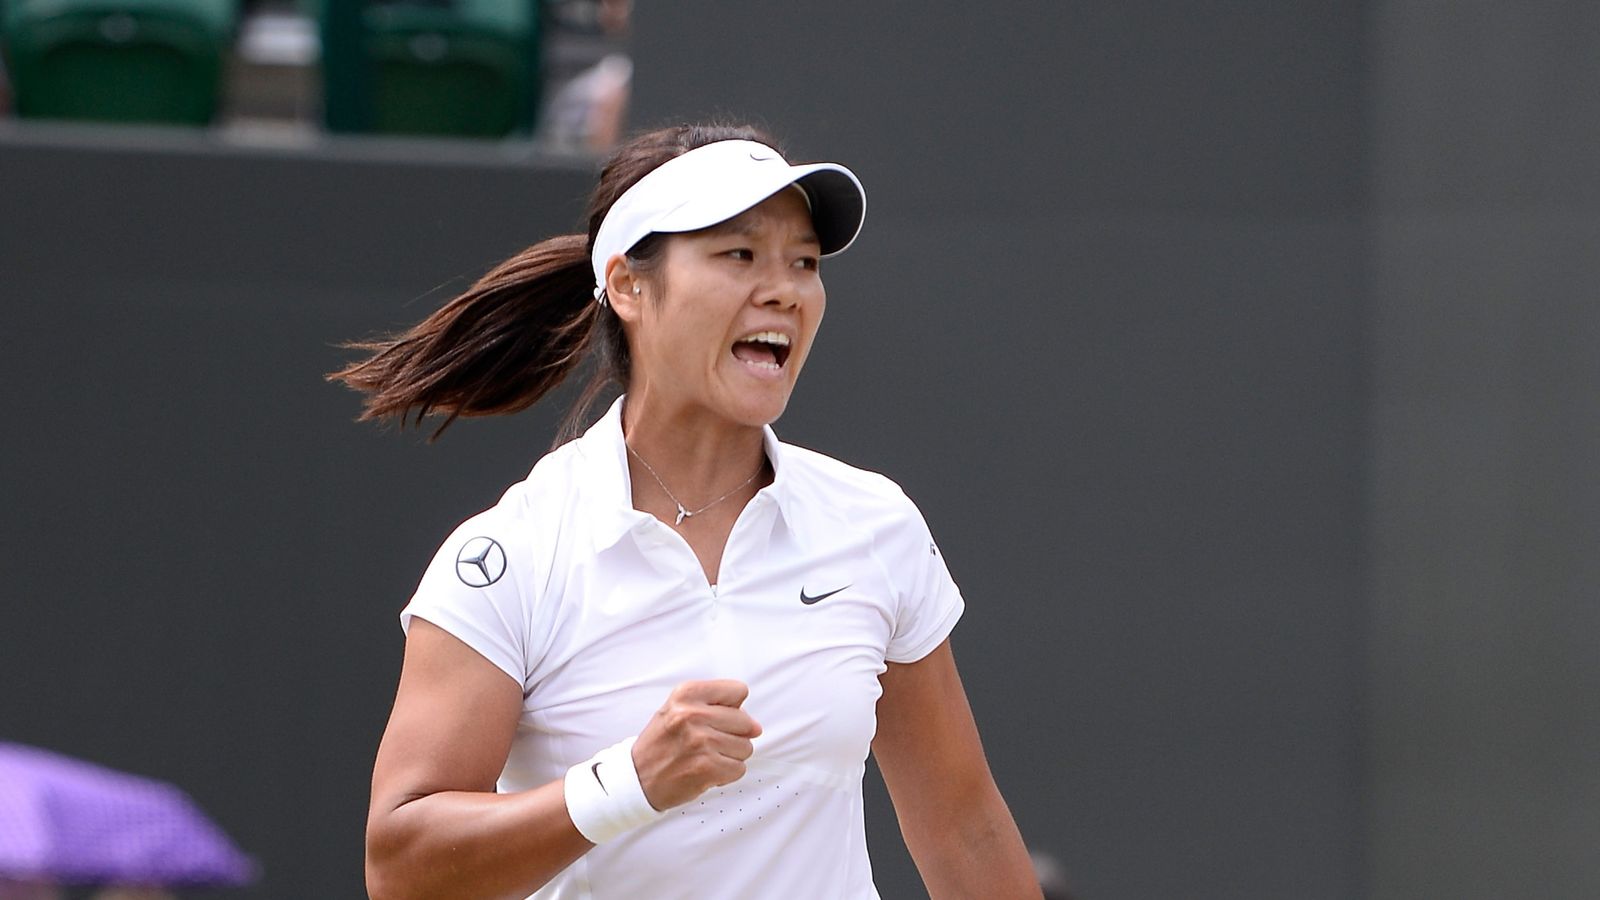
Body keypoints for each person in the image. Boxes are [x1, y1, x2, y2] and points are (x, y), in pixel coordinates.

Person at [332, 122, 1041, 899]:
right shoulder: (514, 553)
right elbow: (399, 866)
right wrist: (627, 785)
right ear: (630, 285)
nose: (784, 289)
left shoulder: (875, 525)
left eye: (803, 262)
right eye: (739, 255)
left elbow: (963, 826)